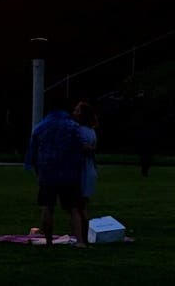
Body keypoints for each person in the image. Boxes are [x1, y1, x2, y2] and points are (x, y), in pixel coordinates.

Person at [25, 98, 84, 246]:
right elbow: (80, 149)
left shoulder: (40, 127)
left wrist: (36, 169)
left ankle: (49, 241)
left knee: (47, 207)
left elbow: (32, 152)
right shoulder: (73, 127)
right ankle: (80, 241)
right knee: (73, 209)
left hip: (47, 173)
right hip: (69, 173)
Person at [73, 101, 99, 245]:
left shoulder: (79, 130)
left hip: (82, 171)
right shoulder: (91, 130)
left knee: (78, 207)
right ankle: (84, 238)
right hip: (89, 171)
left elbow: (86, 148)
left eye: (77, 110)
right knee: (83, 206)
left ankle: (81, 239)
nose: (74, 112)